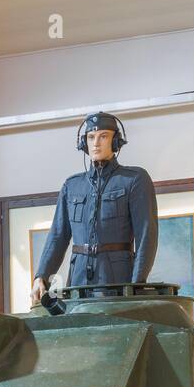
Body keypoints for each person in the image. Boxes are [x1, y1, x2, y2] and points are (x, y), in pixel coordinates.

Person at [31, 112, 158, 305]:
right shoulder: (72, 186)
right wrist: (41, 276)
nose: (96, 143)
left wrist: (136, 285)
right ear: (84, 143)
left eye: (103, 136)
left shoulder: (134, 180)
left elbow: (146, 235)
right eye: (91, 137)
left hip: (117, 281)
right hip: (78, 282)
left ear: (115, 142)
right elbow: (58, 235)